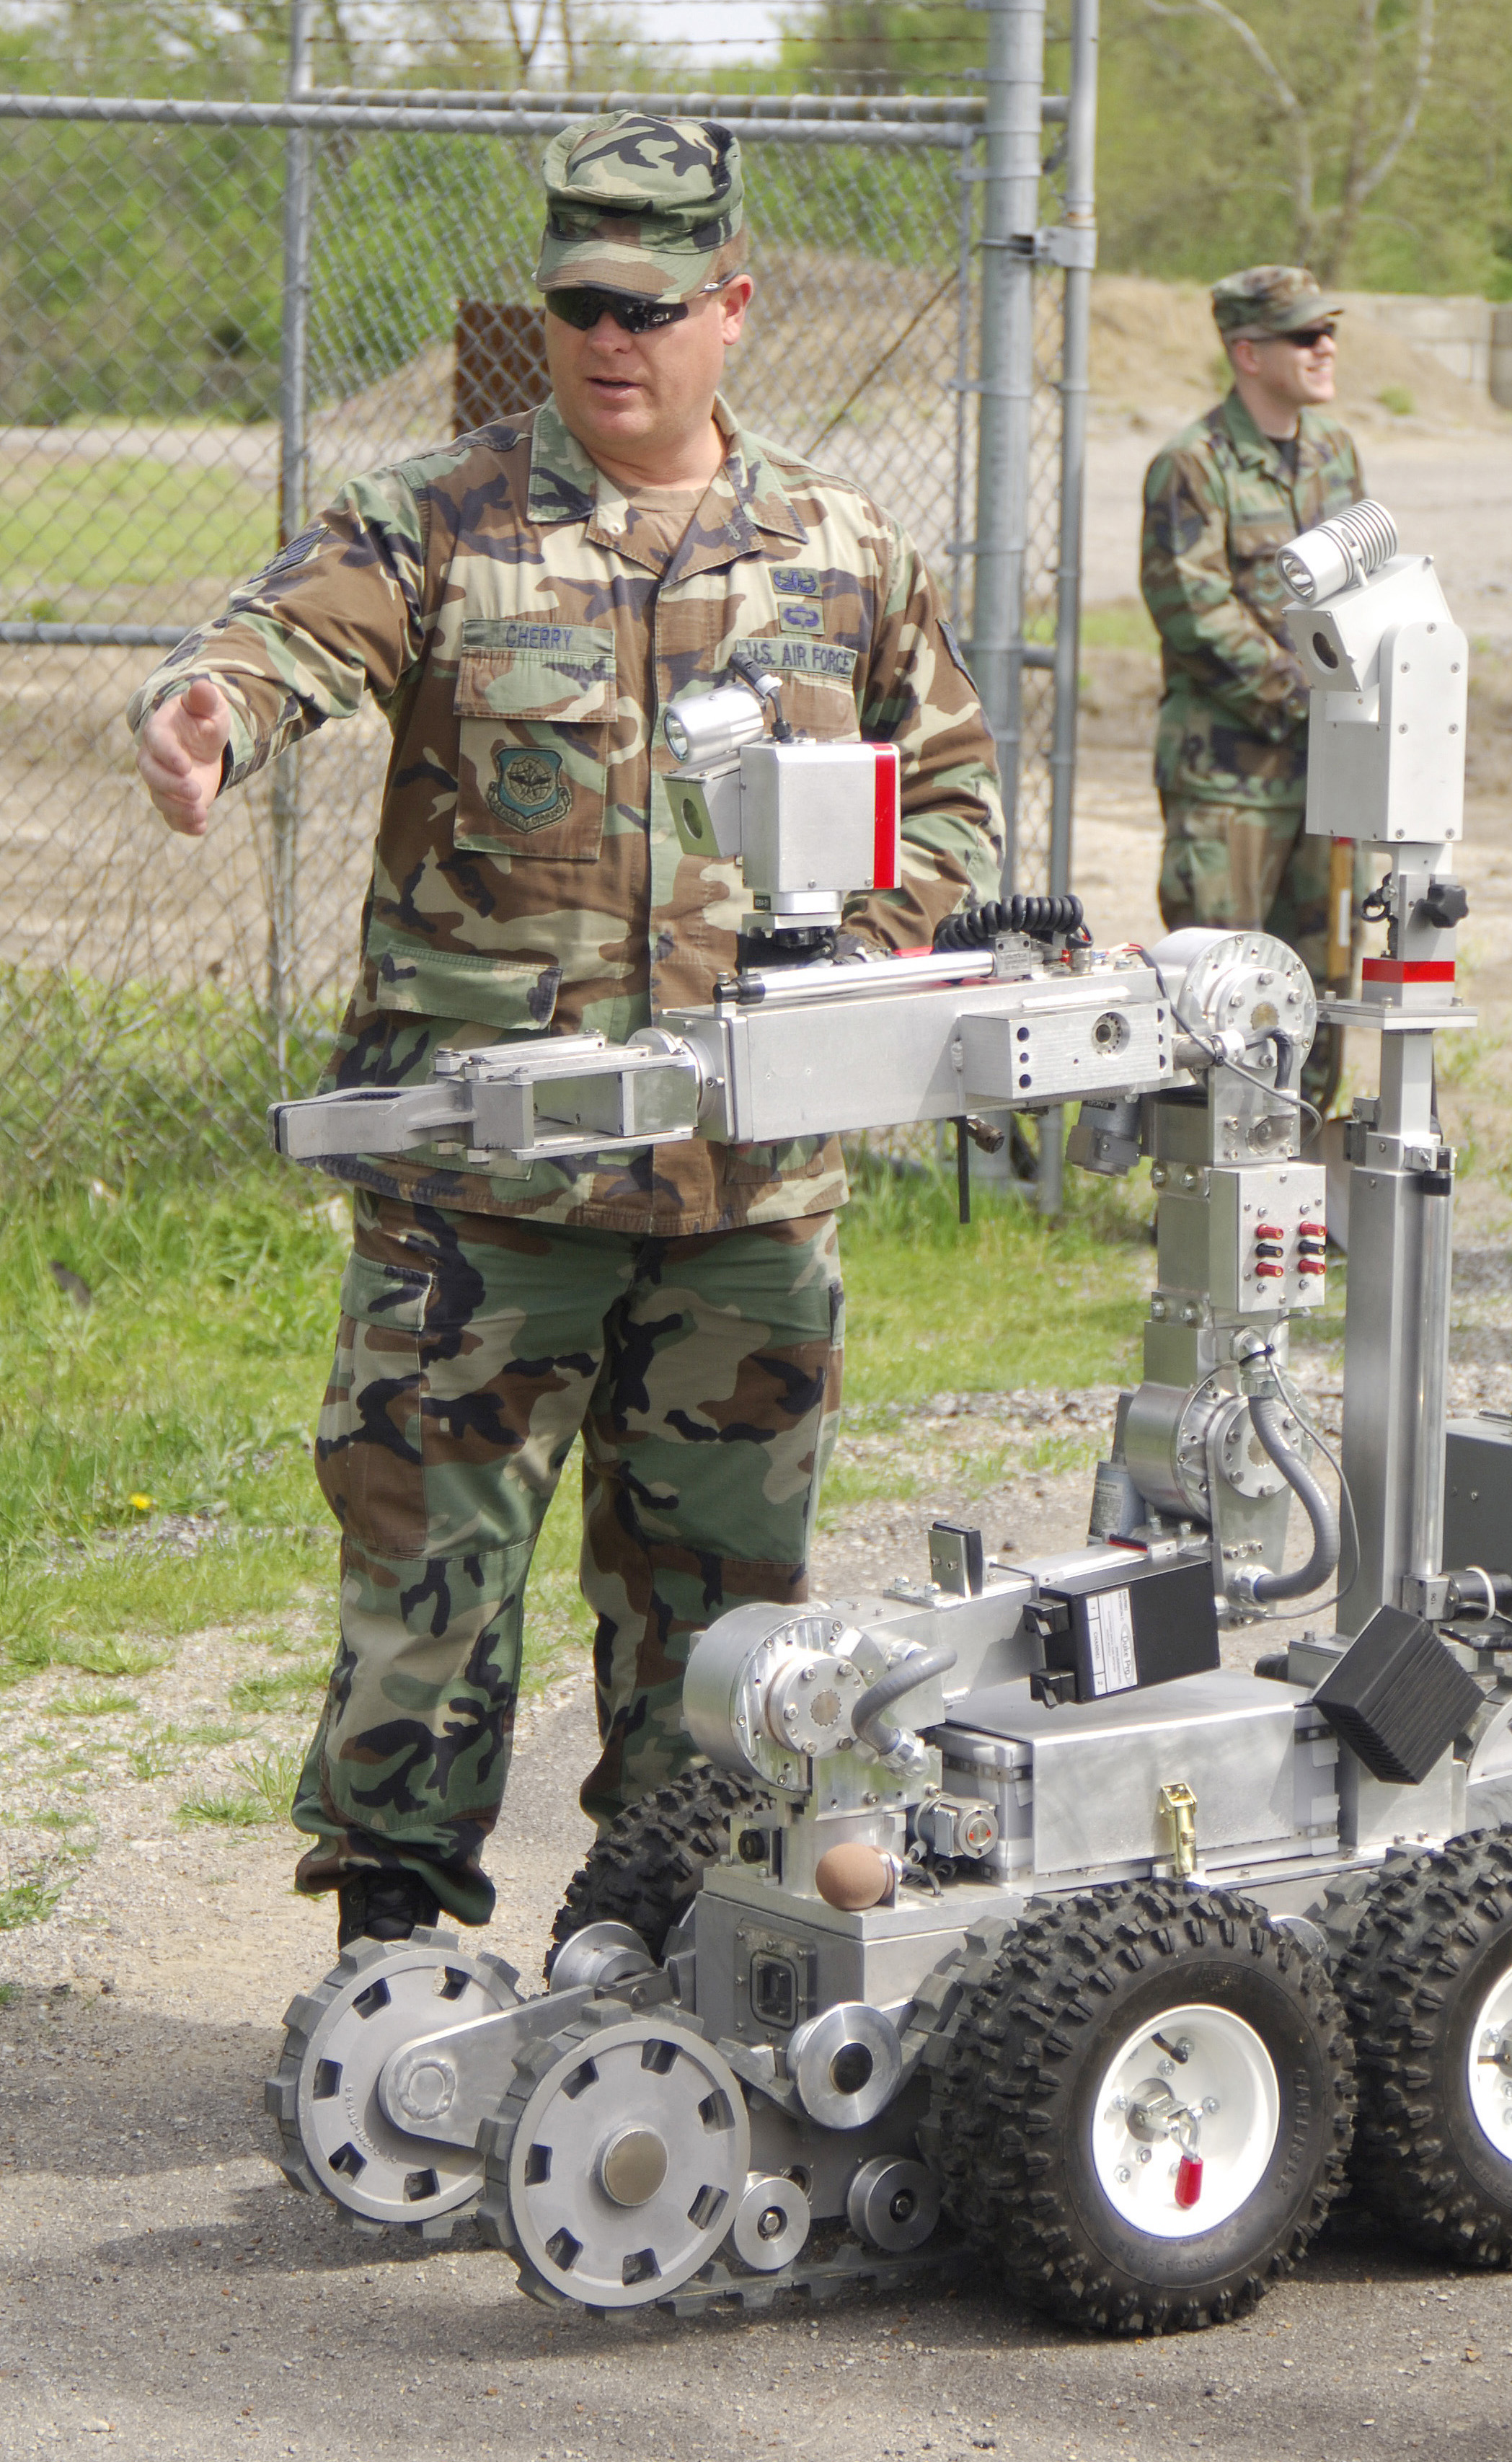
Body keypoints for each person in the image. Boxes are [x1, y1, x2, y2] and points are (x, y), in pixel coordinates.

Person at [129, 112, 1001, 1949]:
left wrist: (846, 953)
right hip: (483, 1195)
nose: (611, 339)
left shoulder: (843, 555)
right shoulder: (439, 515)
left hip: (748, 1206)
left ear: (732, 304)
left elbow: (957, 806)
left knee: (722, 1624)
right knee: (426, 1591)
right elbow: (284, 646)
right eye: (579, 302)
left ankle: (674, 1950)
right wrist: (207, 708)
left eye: (652, 303)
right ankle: (392, 1970)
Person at [1141, 265, 1365, 1113]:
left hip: (1328, 775)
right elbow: (1192, 612)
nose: (1324, 347)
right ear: (1246, 352)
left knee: (1320, 979)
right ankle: (1206, 1195)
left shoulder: (1335, 453)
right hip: (1227, 779)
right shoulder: (1190, 465)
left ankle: (1295, 1192)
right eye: (1303, 335)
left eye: (1327, 331)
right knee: (1218, 988)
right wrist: (1307, 696)